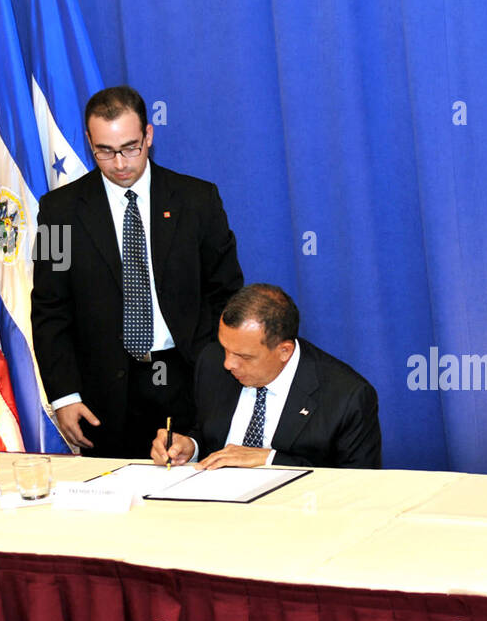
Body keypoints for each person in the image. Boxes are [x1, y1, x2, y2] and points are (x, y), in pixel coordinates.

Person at [31, 86, 242, 458]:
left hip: (186, 381)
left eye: (130, 147)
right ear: (89, 142)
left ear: (148, 135)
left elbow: (225, 295)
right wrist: (64, 395)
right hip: (104, 397)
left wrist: (214, 374)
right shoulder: (57, 212)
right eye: (105, 151)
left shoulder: (198, 201)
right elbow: (50, 310)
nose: (120, 163)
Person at [152, 284, 381, 469]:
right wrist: (190, 447)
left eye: (244, 356)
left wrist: (268, 459)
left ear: (284, 351)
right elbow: (207, 432)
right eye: (225, 348)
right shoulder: (210, 363)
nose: (228, 363)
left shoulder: (347, 396)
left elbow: (357, 484)